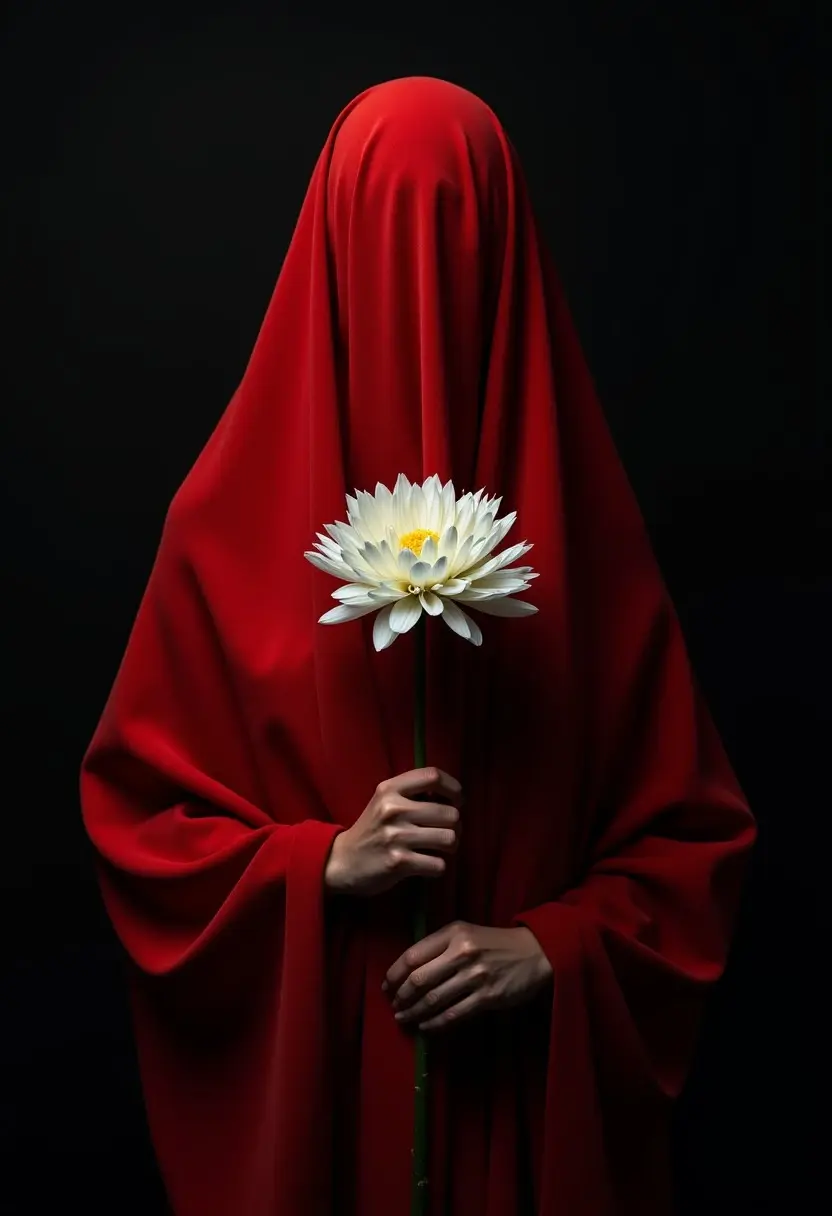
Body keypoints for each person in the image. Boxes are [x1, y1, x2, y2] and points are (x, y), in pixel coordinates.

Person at [80, 76, 755, 1216]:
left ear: (509, 254)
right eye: (384, 247)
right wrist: (316, 864)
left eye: (455, 248)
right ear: (330, 252)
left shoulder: (587, 541)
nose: (420, 303)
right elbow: (137, 823)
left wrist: (554, 949)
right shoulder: (220, 528)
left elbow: (693, 843)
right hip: (326, 1100)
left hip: (518, 1121)